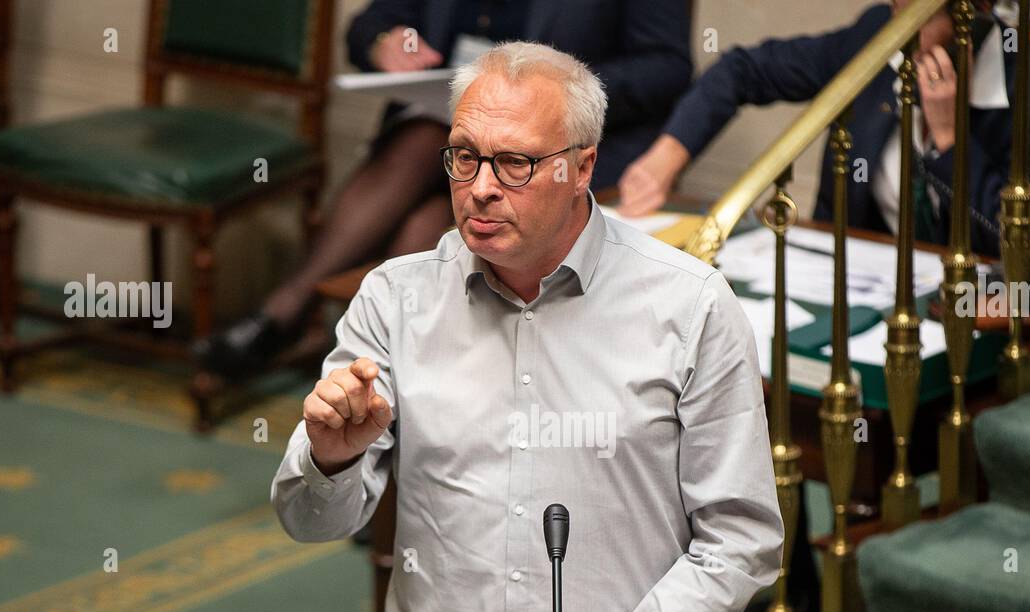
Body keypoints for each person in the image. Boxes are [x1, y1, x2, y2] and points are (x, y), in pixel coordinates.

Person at [271, 41, 784, 612]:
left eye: (514, 162)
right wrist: (331, 457)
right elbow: (308, 522)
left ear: (582, 168)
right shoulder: (394, 301)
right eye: (464, 156)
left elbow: (740, 544)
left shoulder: (690, 307)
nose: (481, 185)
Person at [197, 0, 693, 379]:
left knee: (422, 215)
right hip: (439, 127)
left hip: (549, 148)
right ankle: (365, 366)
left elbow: (666, 68)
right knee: (430, 142)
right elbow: (371, 23)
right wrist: (387, 42)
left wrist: (547, 95)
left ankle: (307, 327)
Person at [618, 0, 1030, 260]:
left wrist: (948, 143)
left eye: (918, 18)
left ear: (973, 14)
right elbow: (741, 72)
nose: (897, 33)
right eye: (895, 7)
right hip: (857, 283)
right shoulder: (875, 38)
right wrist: (666, 158)